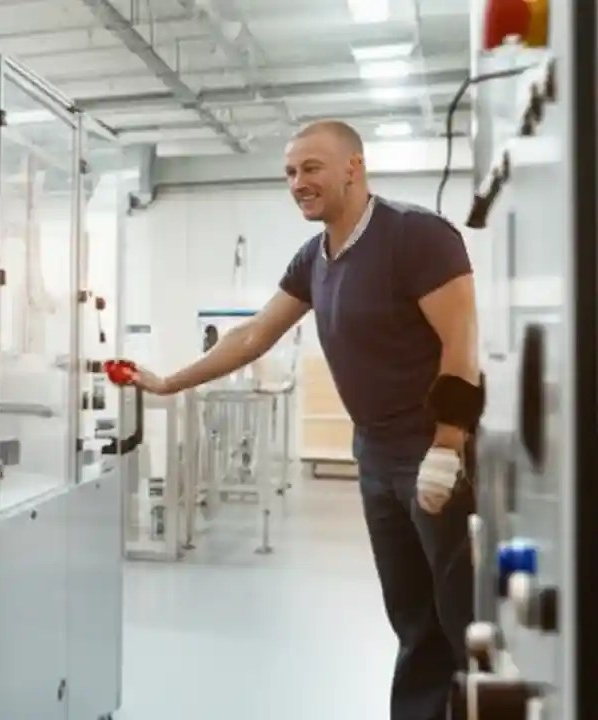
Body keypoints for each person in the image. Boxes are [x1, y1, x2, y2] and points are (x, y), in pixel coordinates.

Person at [120, 120, 481, 720]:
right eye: (290, 172)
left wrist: (446, 447)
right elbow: (255, 335)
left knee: (460, 614)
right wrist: (168, 381)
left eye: (311, 168)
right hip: (376, 453)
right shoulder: (314, 258)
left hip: (434, 451)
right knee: (413, 616)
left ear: (353, 167)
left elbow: (461, 343)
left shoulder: (417, 236)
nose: (298, 183)